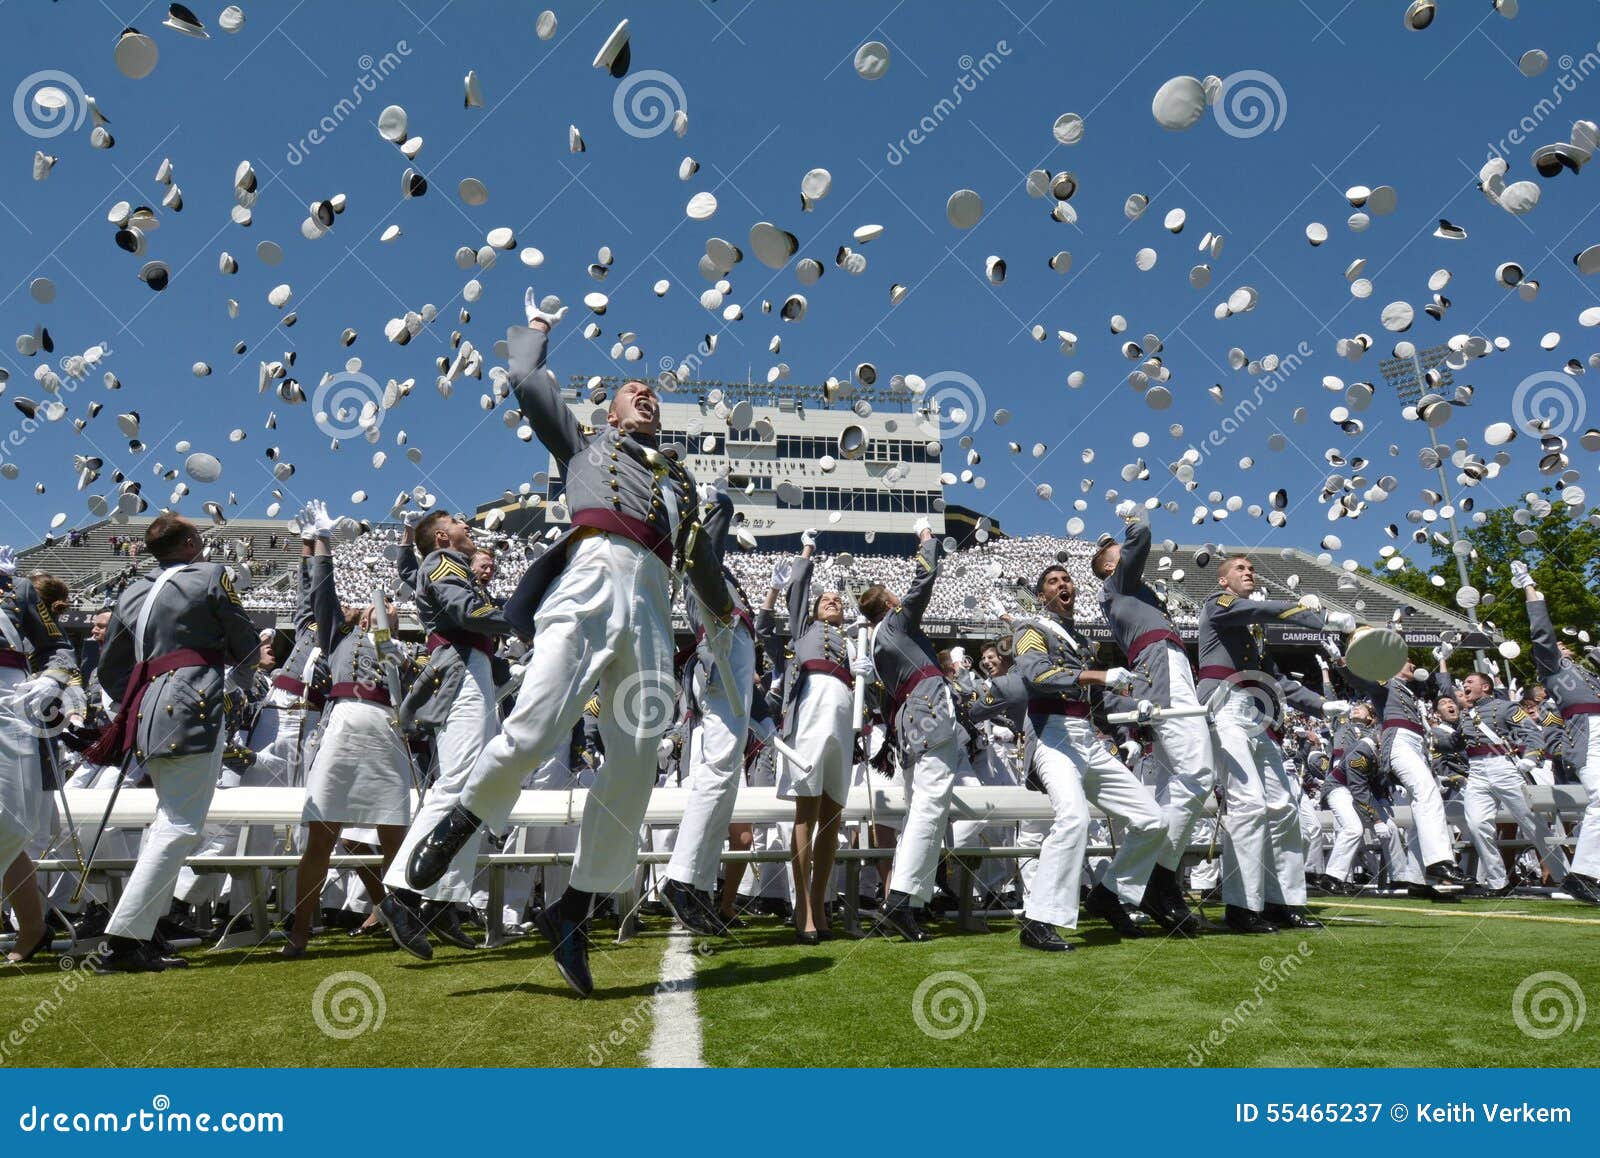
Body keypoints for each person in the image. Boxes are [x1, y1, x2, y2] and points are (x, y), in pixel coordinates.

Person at [404, 288, 727, 997]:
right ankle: (464, 819)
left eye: (651, 393)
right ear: (609, 413)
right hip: (589, 574)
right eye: (630, 391)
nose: (644, 395)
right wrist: (541, 327)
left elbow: (702, 564)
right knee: (536, 721)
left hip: (650, 598)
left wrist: (727, 608)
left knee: (638, 758)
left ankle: (573, 911)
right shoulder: (583, 447)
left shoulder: (682, 483)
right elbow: (524, 381)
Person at [86, 515, 258, 972]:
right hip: (192, 705)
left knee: (168, 820)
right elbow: (245, 641)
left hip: (148, 709)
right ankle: (123, 940)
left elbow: (111, 668)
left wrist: (145, 697)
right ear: (188, 545)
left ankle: (146, 928)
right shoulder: (209, 576)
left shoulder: (132, 590)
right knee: (180, 824)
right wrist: (239, 686)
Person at [282, 502, 420, 956]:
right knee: (321, 832)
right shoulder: (337, 638)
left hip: (388, 729)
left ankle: (403, 920)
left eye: (391, 611)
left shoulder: (406, 654)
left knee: (394, 831)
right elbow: (320, 594)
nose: (383, 612)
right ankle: (300, 930)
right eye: (373, 610)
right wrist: (321, 543)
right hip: (342, 723)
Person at [1009, 561, 1166, 947]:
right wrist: (1100, 675)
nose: (1063, 585)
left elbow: (1098, 696)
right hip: (1051, 736)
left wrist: (1134, 712)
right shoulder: (1031, 630)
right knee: (1074, 819)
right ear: (1042, 595)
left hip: (1087, 739)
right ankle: (1038, 918)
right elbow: (1036, 675)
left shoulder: (1081, 642)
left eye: (1066, 580)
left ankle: (1108, 895)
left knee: (1151, 820)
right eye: (1052, 581)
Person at [380, 508, 514, 958]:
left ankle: (440, 899)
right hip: (459, 668)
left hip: (469, 667)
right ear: (441, 536)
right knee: (458, 782)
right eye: (458, 523)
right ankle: (401, 893)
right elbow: (466, 610)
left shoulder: (451, 564)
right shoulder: (443, 563)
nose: (467, 526)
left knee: (476, 784)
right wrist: (520, 615)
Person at [1196, 554, 1346, 932]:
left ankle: (1283, 900)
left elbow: (1279, 681)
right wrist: (1317, 618)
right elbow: (1260, 609)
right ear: (1224, 581)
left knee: (1283, 805)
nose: (1249, 573)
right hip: (1225, 705)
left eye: (1251, 568)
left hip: (1254, 713)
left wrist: (1322, 704)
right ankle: (1241, 905)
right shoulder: (1219, 604)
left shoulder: (1251, 633)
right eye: (1240, 569)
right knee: (1248, 804)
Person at [1091, 510, 1211, 936]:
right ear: (1110, 565)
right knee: (1197, 773)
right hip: (1162, 665)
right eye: (1118, 556)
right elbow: (1141, 538)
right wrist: (1132, 523)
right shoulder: (1116, 583)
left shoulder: (1131, 592)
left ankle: (1123, 887)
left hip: (1165, 665)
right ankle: (1159, 879)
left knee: (1172, 785)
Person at [861, 519, 967, 943]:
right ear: (888, 600)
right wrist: (926, 539)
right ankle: (901, 901)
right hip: (928, 710)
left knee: (922, 810)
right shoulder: (895, 625)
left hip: (909, 719)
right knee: (929, 805)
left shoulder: (877, 641)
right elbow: (926, 576)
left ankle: (907, 900)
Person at [660, 483, 757, 937]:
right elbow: (708, 535)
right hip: (722, 647)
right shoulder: (699, 559)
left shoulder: (710, 570)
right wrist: (719, 500)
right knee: (717, 769)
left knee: (725, 774)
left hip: (730, 648)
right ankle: (681, 880)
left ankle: (696, 883)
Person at [774, 530, 861, 942]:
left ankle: (821, 905)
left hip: (841, 719)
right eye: (826, 599)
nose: (833, 601)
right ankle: (803, 908)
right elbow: (797, 587)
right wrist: (807, 551)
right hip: (809, 715)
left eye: (838, 601)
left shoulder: (850, 643)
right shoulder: (802, 630)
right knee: (806, 813)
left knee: (833, 816)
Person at [1, 552, 81, 964]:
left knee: (9, 822)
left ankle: (32, 925)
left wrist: (51, 678)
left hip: (7, 701)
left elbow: (58, 649)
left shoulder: (18, 589)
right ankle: (33, 925)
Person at [1437, 658, 1568, 895]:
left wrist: (1531, 756)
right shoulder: (1467, 714)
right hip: (1476, 772)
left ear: (1484, 687)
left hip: (1503, 767)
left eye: (1469, 681)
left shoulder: (1505, 707)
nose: (1464, 685)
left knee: (1532, 824)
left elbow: (1530, 732)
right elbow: (1454, 743)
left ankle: (1564, 877)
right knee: (1477, 825)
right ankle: (1499, 882)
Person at [1513, 562, 1600, 904]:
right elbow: (1542, 632)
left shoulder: (1588, 671)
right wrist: (1530, 589)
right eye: (1557, 645)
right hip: (1590, 732)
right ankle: (1584, 875)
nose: (1563, 645)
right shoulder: (1551, 668)